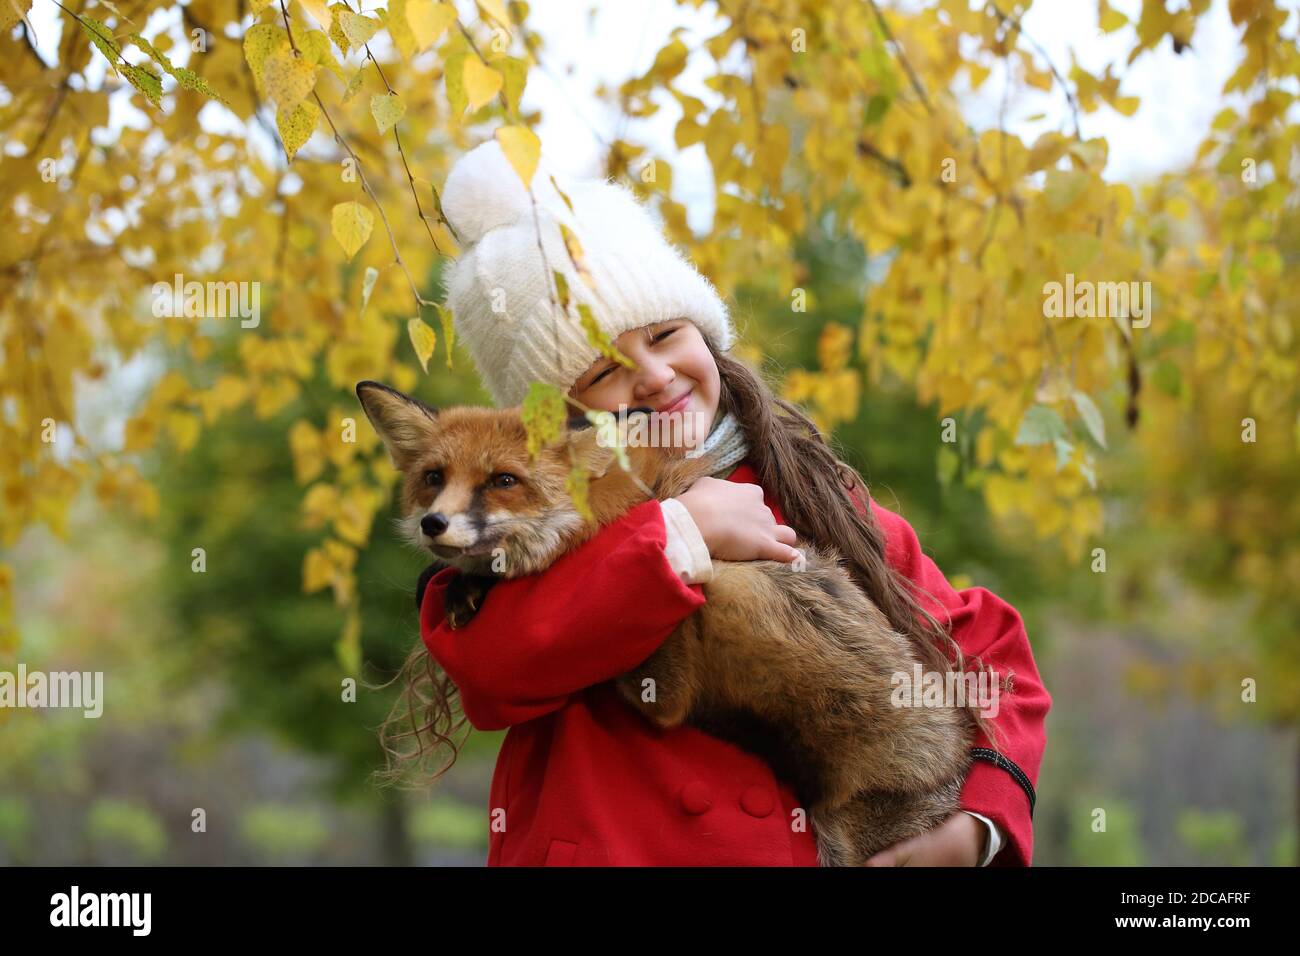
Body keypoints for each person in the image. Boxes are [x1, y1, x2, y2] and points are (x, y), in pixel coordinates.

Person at [404, 140, 1050, 866]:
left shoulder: (813, 499)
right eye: (604, 370)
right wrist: (675, 534)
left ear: (704, 332)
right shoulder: (525, 540)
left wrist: (977, 826)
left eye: (665, 335)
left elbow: (989, 649)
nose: (653, 376)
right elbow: (498, 668)